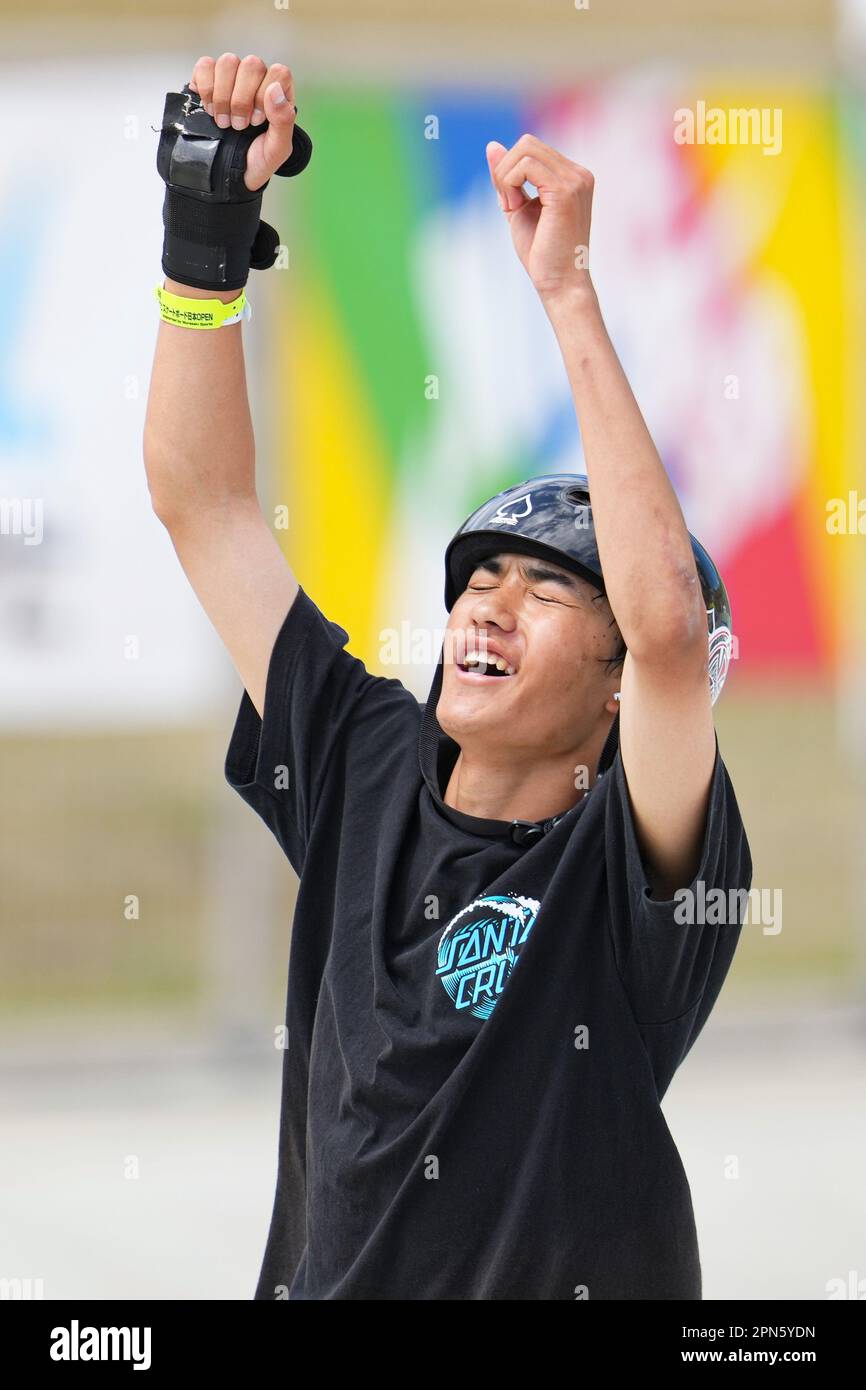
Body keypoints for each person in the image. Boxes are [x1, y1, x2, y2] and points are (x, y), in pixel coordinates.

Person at [144, 52, 752, 1301]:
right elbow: (202, 506)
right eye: (480, 579)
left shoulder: (628, 871)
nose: (489, 601)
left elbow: (669, 635)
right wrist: (204, 237)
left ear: (615, 700)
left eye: (546, 590)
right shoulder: (367, 757)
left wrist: (566, 292)